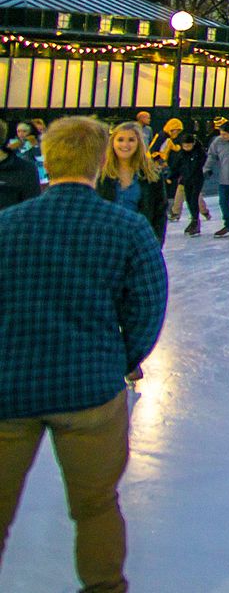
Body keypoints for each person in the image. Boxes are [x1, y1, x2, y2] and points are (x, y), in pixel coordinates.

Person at [0, 116, 168, 593]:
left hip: (8, 387)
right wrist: (117, 358)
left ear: (46, 161)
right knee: (95, 506)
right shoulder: (126, 227)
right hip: (90, 389)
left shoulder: (6, 226)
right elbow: (148, 306)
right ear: (101, 162)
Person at [97, 122, 168, 244]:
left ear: (139, 143)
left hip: (139, 243)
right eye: (120, 140)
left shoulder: (152, 176)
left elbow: (160, 212)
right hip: (106, 244)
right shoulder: (100, 175)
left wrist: (156, 242)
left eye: (131, 140)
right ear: (112, 142)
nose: (125, 144)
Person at [0, 121, 42, 211]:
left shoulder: (37, 143)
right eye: (19, 131)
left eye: (24, 131)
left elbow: (41, 159)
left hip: (35, 174)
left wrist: (35, 146)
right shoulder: (13, 143)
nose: (21, 134)